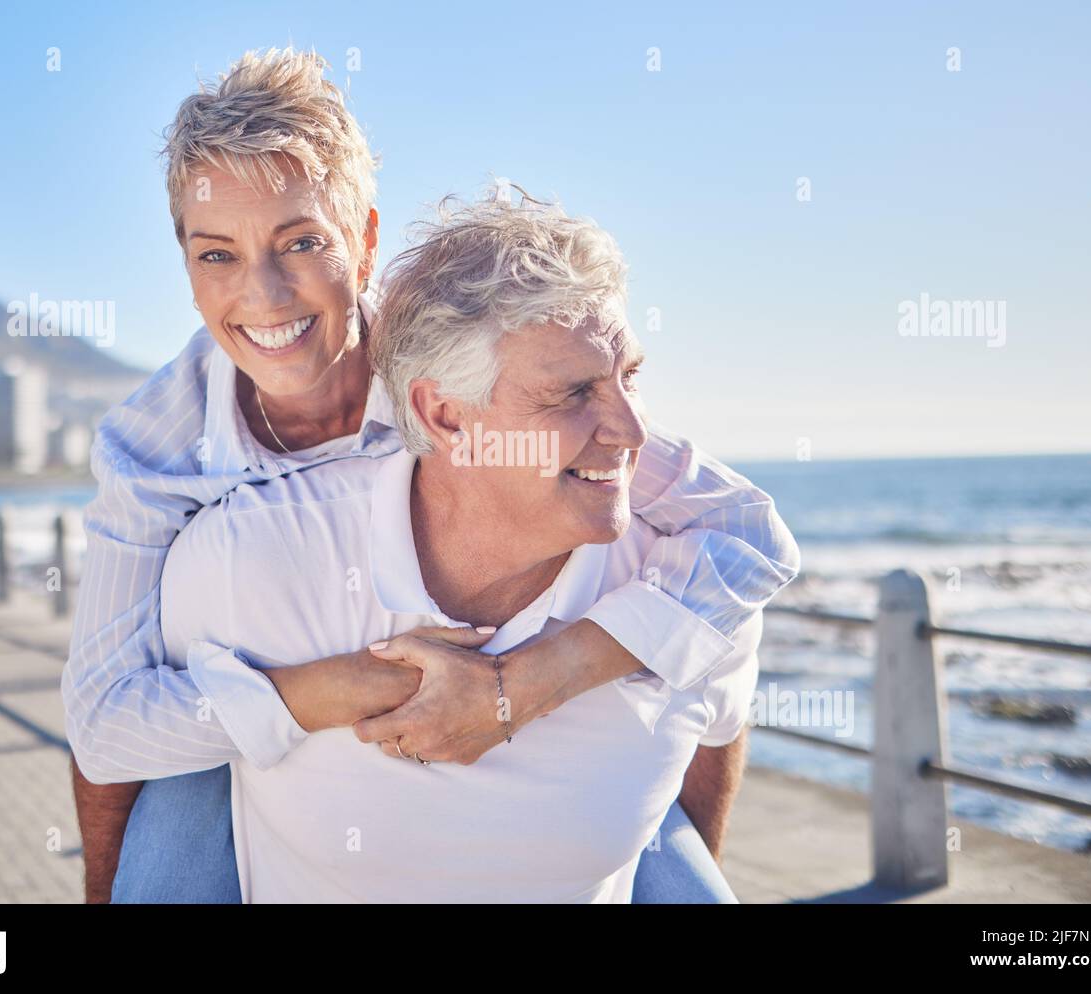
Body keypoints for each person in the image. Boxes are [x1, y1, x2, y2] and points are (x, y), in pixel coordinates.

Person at [59, 47, 798, 904]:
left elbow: (739, 526)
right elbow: (109, 719)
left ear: (365, 242)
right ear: (186, 267)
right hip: (251, 721)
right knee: (186, 792)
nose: (264, 294)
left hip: (542, 763)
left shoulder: (462, 368)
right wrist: (331, 689)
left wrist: (528, 683)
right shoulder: (155, 446)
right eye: (217, 255)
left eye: (301, 242)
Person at [153, 194, 765, 901]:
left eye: (630, 377)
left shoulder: (693, 582)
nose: (631, 431)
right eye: (573, 393)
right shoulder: (245, 563)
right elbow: (137, 754)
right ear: (443, 415)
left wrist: (522, 688)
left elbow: (711, 750)